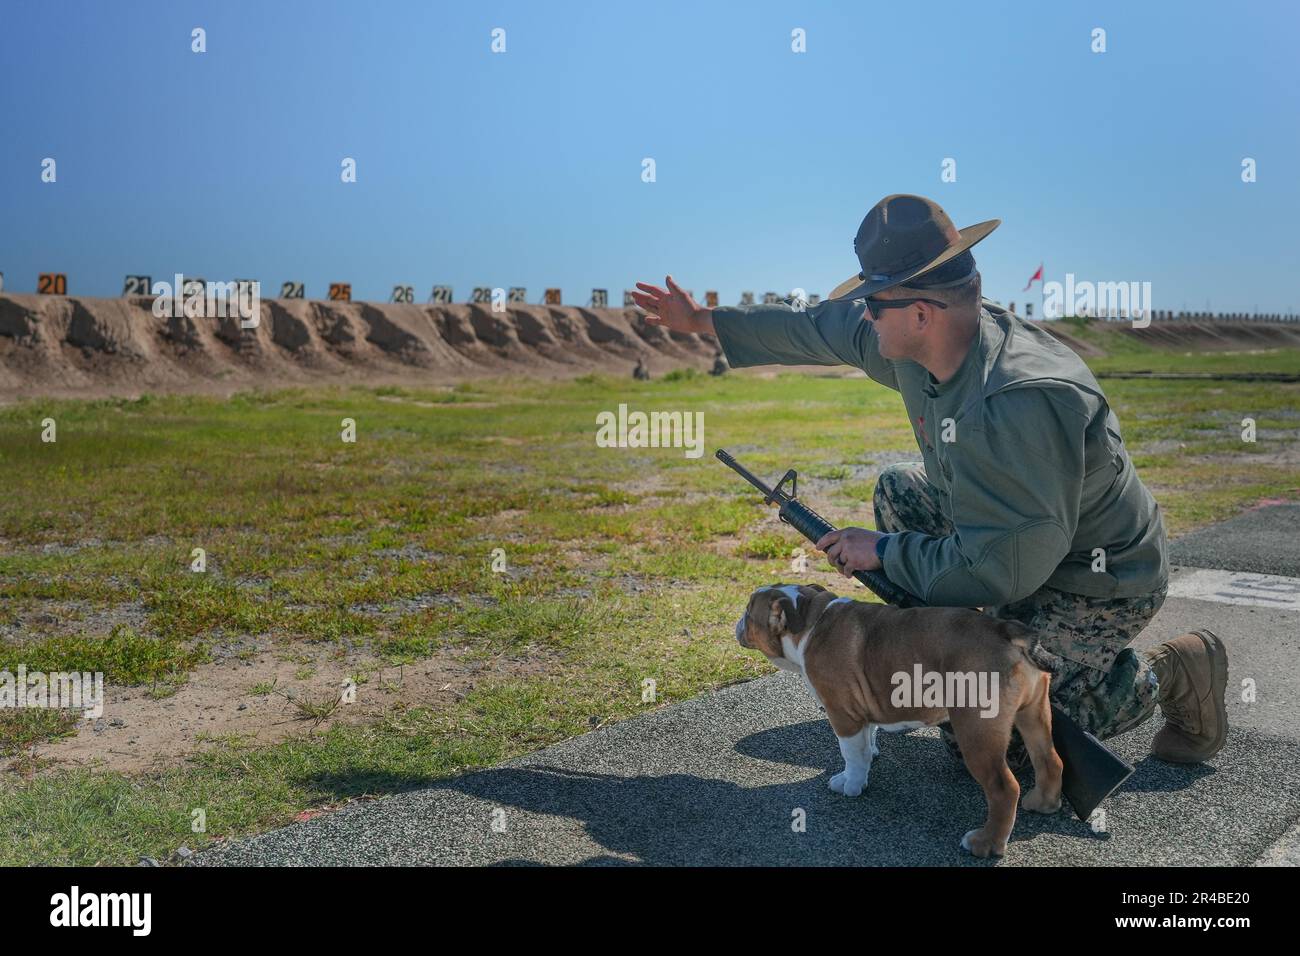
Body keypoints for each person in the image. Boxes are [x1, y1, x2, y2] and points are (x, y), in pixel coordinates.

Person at [631, 193, 1228, 766]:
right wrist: (703, 320)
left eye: (873, 303)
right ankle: (961, 651)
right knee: (899, 490)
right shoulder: (921, 336)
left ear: (920, 313)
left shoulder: (1021, 400)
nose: (863, 314)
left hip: (1094, 576)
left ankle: (1170, 671)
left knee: (999, 731)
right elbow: (819, 327)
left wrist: (884, 551)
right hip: (1005, 535)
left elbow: (1006, 569)